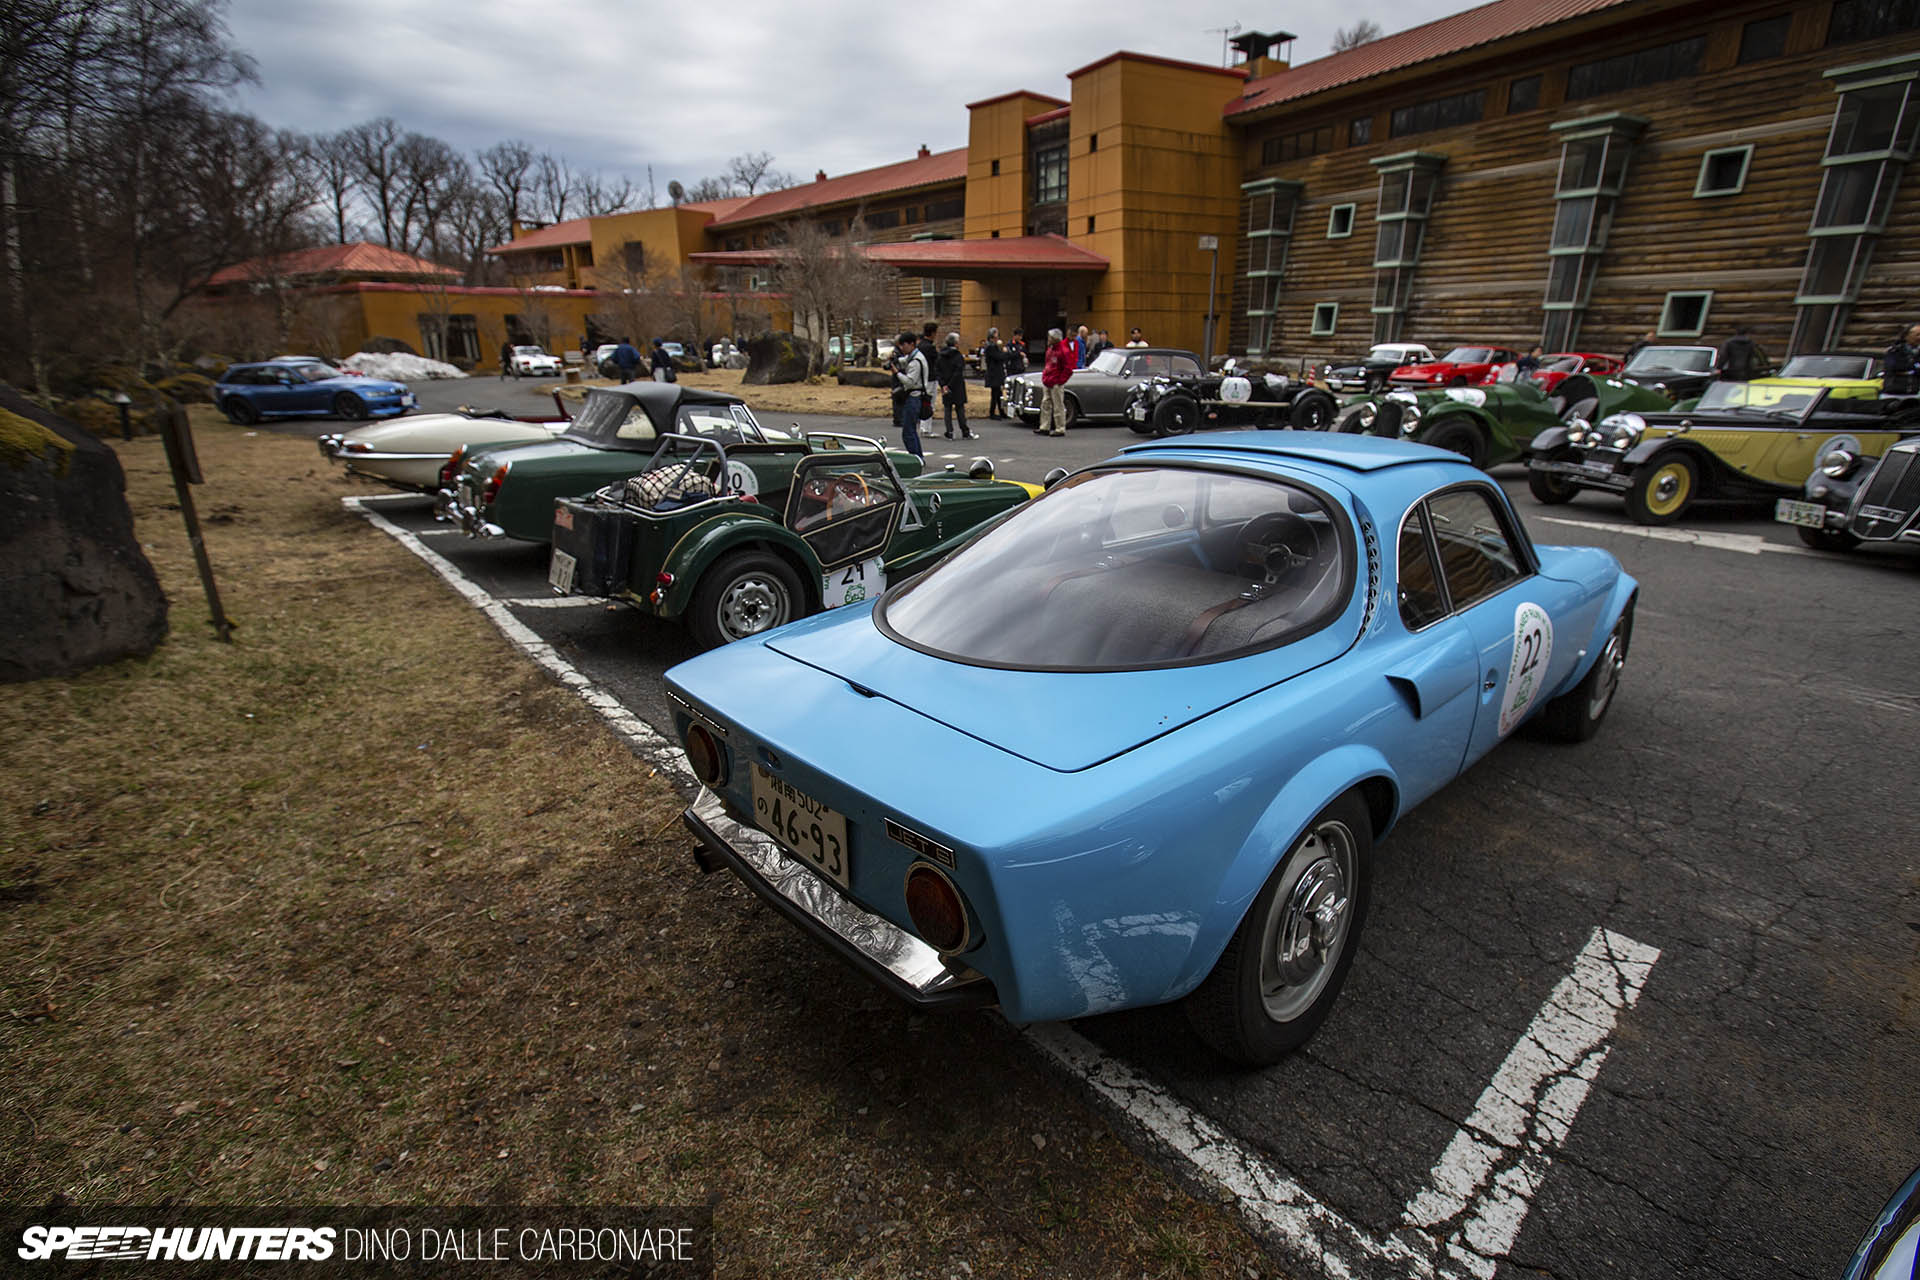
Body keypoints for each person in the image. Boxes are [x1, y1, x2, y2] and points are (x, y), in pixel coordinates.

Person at [892, 331, 933, 459]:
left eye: (903, 345)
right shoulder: (914, 356)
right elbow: (904, 361)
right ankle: (918, 457)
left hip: (914, 397)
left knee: (908, 432)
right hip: (915, 397)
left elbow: (909, 382)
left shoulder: (916, 361)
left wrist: (897, 372)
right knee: (911, 432)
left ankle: (916, 458)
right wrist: (894, 360)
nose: (902, 348)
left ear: (911, 344)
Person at [937, 333, 975, 440]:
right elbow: (958, 372)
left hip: (945, 384)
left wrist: (943, 385)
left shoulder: (941, 355)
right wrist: (950, 385)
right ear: (956, 343)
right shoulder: (958, 356)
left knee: (947, 409)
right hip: (957, 386)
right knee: (960, 409)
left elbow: (938, 371)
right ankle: (965, 431)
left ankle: (949, 431)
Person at [1037, 327, 1073, 437]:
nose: (1048, 339)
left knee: (1058, 405)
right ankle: (1044, 427)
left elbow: (1068, 369)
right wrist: (1045, 376)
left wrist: (1060, 381)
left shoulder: (1063, 350)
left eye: (1050, 337)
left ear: (1055, 338)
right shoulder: (1050, 349)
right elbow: (1048, 365)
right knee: (1045, 404)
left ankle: (1060, 428)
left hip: (1056, 382)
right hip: (1048, 380)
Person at [1884, 322, 1920, 396]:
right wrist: (1915, 367)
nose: (1919, 338)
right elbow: (1894, 367)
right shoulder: (1895, 350)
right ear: (1907, 336)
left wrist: (1910, 370)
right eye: (1917, 335)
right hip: (1894, 393)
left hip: (1915, 392)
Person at [982, 327, 1008, 419]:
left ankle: (1001, 412)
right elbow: (999, 357)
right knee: (995, 393)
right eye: (996, 337)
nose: (997, 339)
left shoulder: (992, 346)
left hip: (995, 372)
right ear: (991, 338)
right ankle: (992, 412)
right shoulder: (991, 347)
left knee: (998, 393)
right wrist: (1005, 353)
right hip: (994, 373)